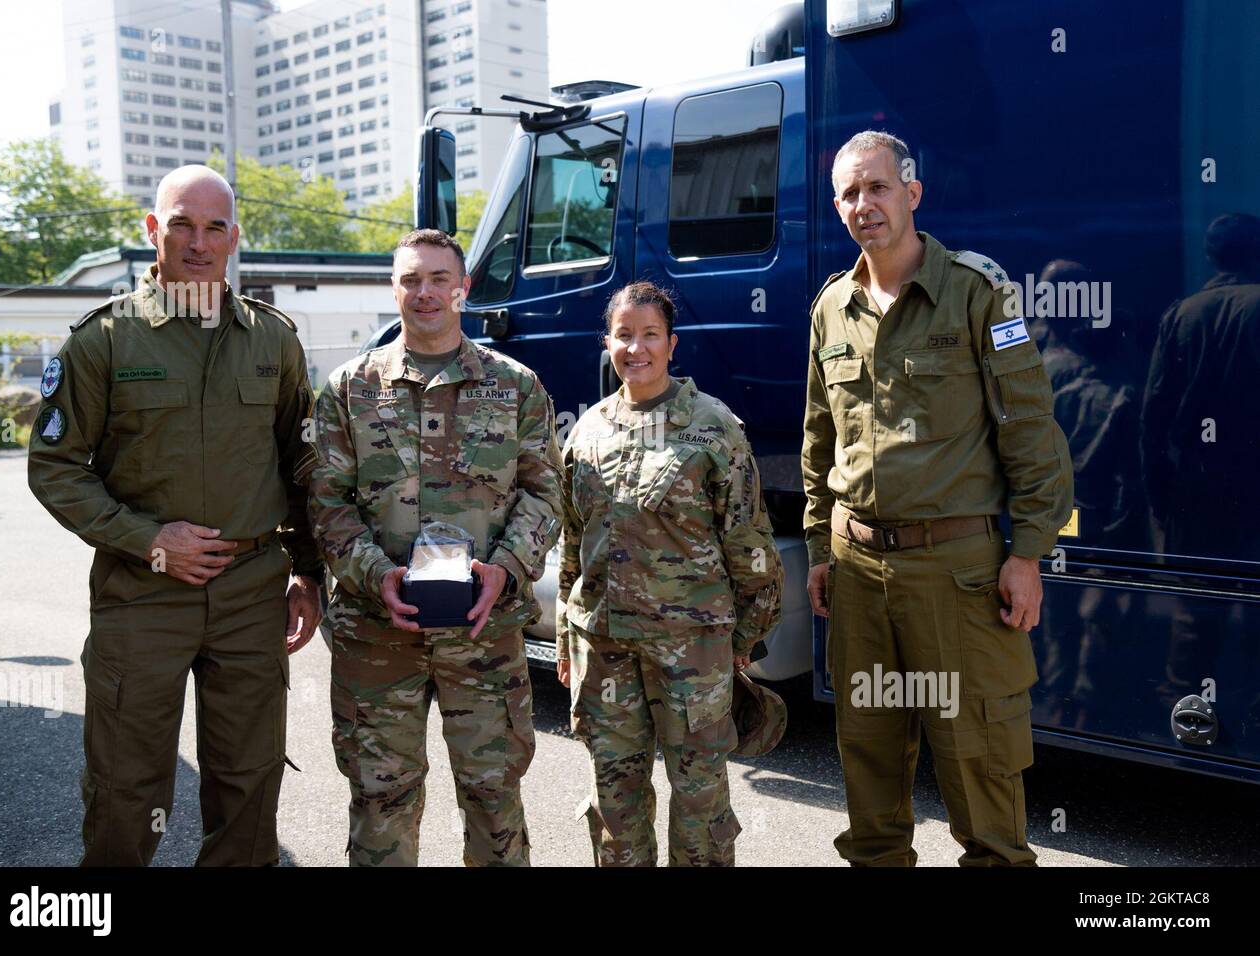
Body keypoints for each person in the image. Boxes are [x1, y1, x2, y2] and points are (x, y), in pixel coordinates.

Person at [27, 165, 323, 866]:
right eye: (181, 224)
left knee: (248, 783)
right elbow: (56, 466)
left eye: (214, 226)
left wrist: (310, 575)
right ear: (152, 230)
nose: (198, 242)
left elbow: (304, 466)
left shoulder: (272, 340)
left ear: (233, 237)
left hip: (252, 591)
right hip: (142, 595)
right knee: (126, 787)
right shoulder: (104, 340)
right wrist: (148, 538)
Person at [801, 131, 1073, 867]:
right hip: (859, 576)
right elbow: (820, 439)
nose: (865, 205)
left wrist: (1027, 554)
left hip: (958, 574)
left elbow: (1031, 432)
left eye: (878, 187)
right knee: (869, 765)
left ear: (912, 193)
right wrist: (821, 548)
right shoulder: (832, 308)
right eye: (850, 193)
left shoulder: (977, 295)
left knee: (977, 762)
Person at [305, 228, 563, 867]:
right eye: (411, 280)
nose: (425, 292)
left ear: (463, 288)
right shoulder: (348, 388)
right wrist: (373, 575)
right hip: (376, 635)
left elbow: (546, 494)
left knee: (494, 796)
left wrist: (505, 570)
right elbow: (325, 501)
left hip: (484, 633)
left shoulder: (517, 386)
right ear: (394, 289)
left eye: (439, 279)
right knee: (380, 800)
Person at [557, 281, 783, 866]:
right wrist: (565, 638)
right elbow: (574, 547)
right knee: (615, 801)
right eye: (624, 335)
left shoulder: (712, 428)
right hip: (603, 648)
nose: (637, 348)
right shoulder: (586, 431)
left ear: (672, 343)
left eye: (650, 335)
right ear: (607, 343)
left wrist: (744, 639)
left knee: (700, 802)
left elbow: (749, 543)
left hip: (693, 652)